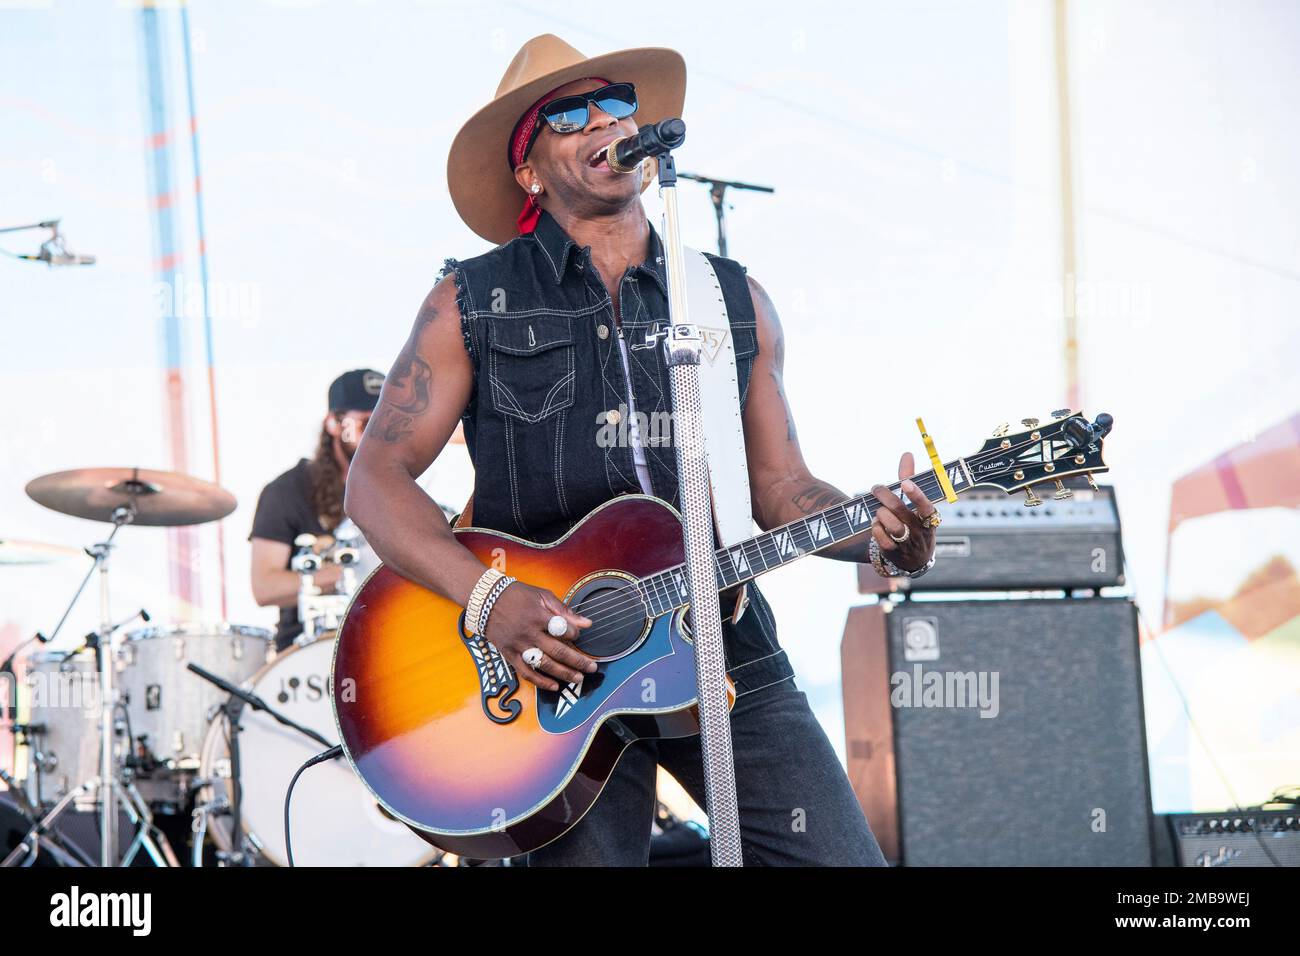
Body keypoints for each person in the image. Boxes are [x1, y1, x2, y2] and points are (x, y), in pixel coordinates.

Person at [344, 35, 938, 866]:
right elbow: (375, 480)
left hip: (721, 636)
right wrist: (488, 602)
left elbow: (780, 486)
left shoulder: (733, 300)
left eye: (616, 102)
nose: (603, 121)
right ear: (529, 170)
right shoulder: (472, 301)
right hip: (551, 663)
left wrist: (880, 537)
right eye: (568, 114)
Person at [249, 368, 384, 651]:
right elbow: (264, 587)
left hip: (383, 642)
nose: (378, 434)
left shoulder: (396, 490)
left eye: (387, 423)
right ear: (334, 424)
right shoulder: (286, 491)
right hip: (307, 651)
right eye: (365, 423)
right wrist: (354, 573)